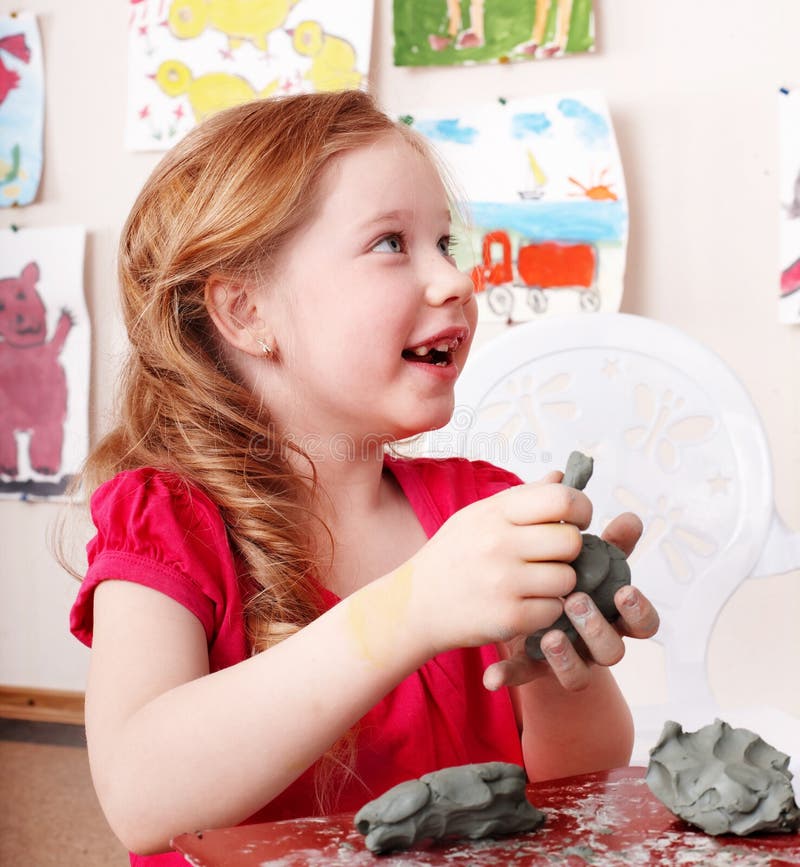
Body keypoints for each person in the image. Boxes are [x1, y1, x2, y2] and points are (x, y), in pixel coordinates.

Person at [66, 90, 659, 865]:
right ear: (246, 312)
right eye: (390, 243)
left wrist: (553, 663)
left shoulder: (483, 507)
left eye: (445, 243)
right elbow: (140, 797)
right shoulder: (165, 521)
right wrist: (410, 609)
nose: (455, 280)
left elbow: (579, 784)